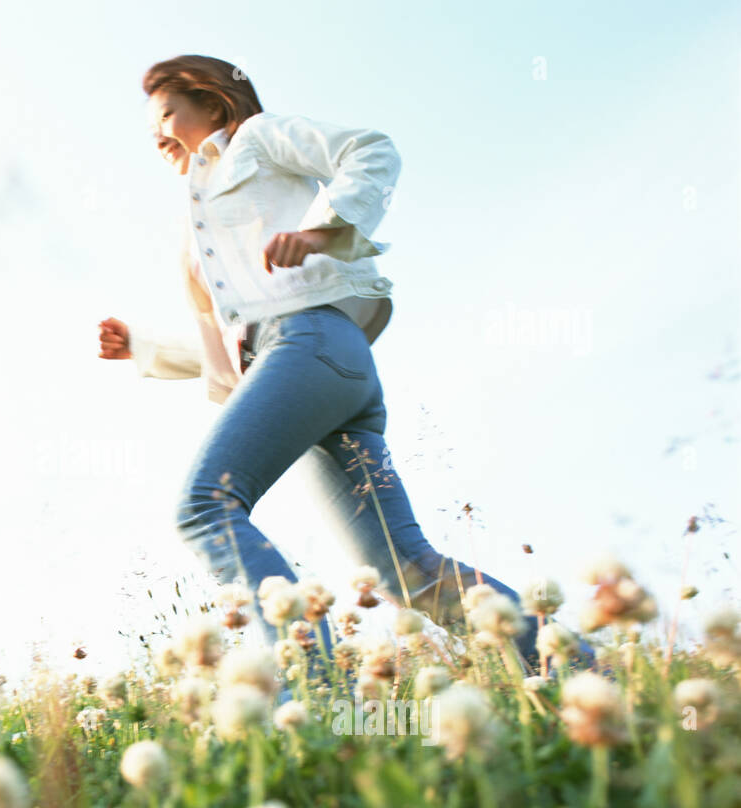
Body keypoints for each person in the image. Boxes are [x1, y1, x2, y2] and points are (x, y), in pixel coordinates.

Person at [97, 54, 578, 673]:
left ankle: (315, 693)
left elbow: (372, 150)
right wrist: (142, 348)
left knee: (205, 507)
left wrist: (324, 230)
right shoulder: (197, 227)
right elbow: (243, 345)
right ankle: (584, 672)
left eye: (167, 115)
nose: (158, 135)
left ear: (213, 104)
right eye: (149, 129)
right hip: (308, 367)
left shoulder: (257, 141)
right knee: (407, 573)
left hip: (312, 342)